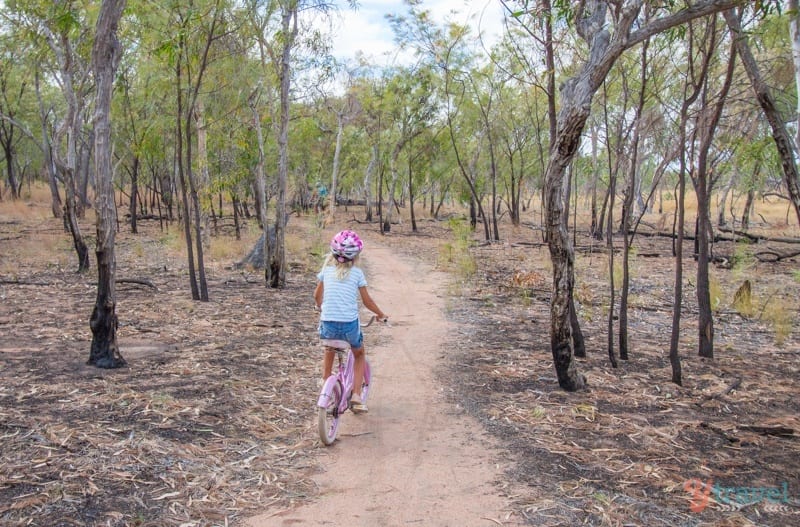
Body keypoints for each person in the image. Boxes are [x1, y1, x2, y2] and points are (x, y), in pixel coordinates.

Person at [314, 229, 387, 413]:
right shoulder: (357, 274)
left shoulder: (326, 271)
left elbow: (317, 296)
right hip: (349, 325)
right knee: (359, 354)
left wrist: (320, 306)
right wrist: (380, 314)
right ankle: (355, 395)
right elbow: (367, 301)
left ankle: (325, 379)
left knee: (330, 347)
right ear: (355, 256)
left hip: (328, 323)